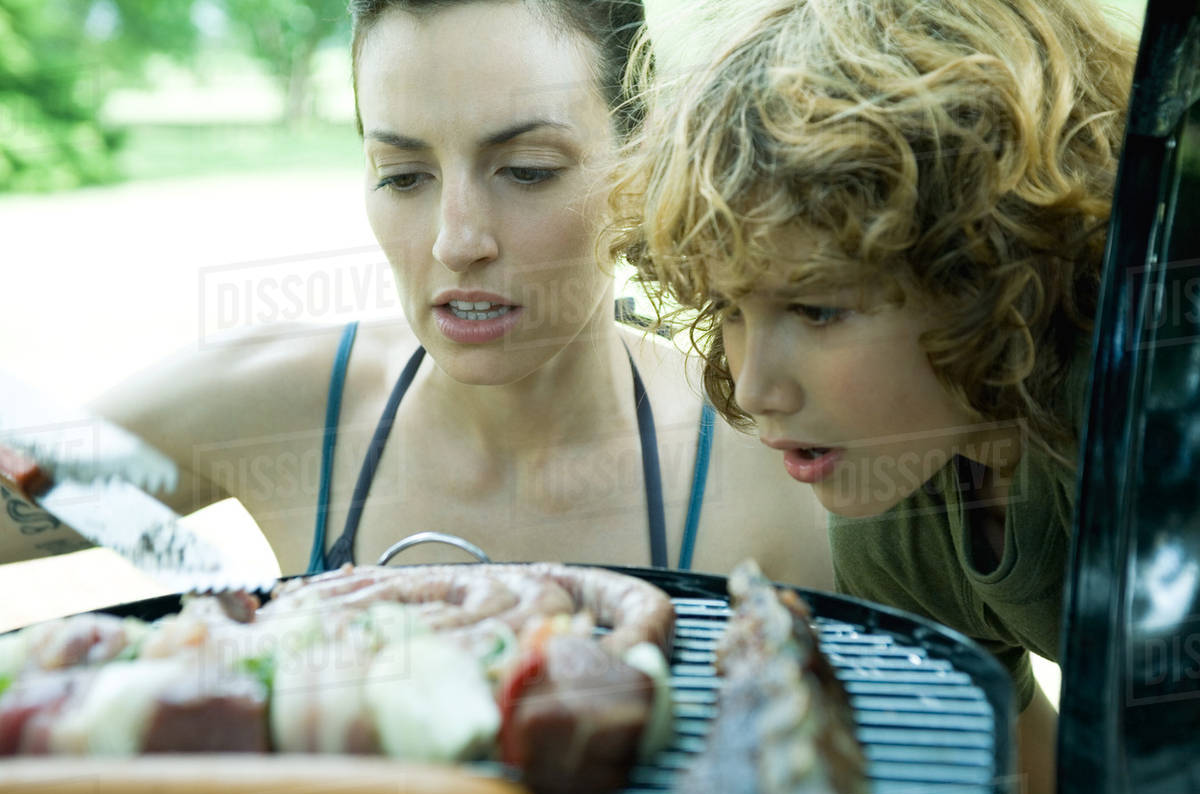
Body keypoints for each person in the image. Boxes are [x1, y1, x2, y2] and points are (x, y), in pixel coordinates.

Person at [81, 0, 832, 588]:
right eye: (404, 175)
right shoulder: (275, 405)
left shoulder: (763, 471)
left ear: (639, 158)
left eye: (528, 169)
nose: (456, 239)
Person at [608, 0, 1136, 794]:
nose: (754, 389)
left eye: (817, 308)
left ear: (985, 270)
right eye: (728, 310)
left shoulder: (1142, 434)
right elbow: (1030, 771)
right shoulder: (894, 510)